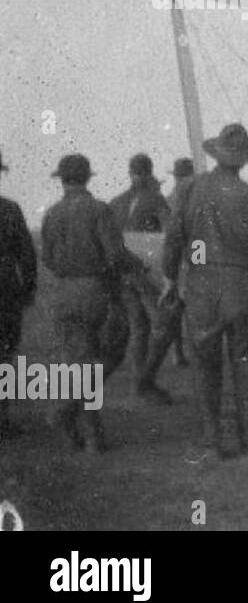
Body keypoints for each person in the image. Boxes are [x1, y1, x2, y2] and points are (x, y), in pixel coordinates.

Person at [160, 124, 248, 461]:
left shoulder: (191, 189)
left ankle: (212, 442)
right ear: (243, 160)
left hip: (202, 287)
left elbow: (174, 239)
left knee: (205, 367)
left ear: (216, 154)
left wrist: (169, 278)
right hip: (241, 287)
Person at [41, 154, 145, 453]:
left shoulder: (51, 214)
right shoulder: (98, 210)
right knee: (112, 351)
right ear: (88, 178)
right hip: (95, 290)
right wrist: (141, 268)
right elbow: (115, 255)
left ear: (62, 180)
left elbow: (47, 258)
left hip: (63, 292)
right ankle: (67, 411)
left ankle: (91, 436)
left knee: (80, 362)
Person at [108, 153, 174, 404]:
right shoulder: (155, 199)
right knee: (164, 324)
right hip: (146, 272)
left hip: (123, 272)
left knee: (138, 327)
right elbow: (169, 234)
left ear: (130, 172)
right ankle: (145, 381)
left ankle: (139, 382)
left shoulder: (116, 202)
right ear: (149, 172)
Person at [0, 149, 38, 441]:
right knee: (3, 357)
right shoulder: (9, 210)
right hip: (6, 293)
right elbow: (26, 255)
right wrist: (29, 288)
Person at [162, 157, 195, 367]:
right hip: (191, 258)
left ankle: (179, 351)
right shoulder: (193, 197)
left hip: (176, 259)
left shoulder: (170, 198)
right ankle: (186, 351)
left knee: (176, 309)